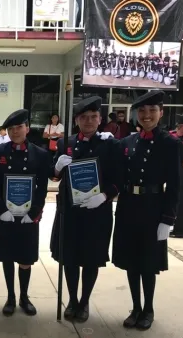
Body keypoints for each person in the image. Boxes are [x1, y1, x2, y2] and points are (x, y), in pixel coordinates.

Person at [112, 90, 183, 331]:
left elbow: (175, 184)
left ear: (161, 113)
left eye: (152, 111)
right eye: (142, 111)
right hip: (128, 207)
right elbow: (117, 174)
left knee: (148, 263)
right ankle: (135, 307)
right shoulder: (128, 142)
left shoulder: (170, 143)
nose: (146, 115)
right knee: (131, 262)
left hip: (153, 208)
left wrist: (168, 218)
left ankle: (148, 308)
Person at [50, 96, 120, 322]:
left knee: (91, 258)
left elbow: (120, 177)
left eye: (93, 117)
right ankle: (71, 299)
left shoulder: (110, 144)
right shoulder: (65, 143)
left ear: (100, 119)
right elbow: (54, 175)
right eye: (83, 117)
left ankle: (84, 301)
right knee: (69, 257)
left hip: (97, 211)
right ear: (77, 120)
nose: (88, 121)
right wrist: (57, 167)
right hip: (70, 210)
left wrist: (105, 195)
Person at [0, 109, 50, 316]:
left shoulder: (40, 154)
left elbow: (42, 187)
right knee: (7, 256)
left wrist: (34, 212)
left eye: (19, 127)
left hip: (27, 215)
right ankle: (10, 296)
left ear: (27, 128)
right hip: (5, 214)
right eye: (11, 128)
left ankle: (24, 296)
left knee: (25, 259)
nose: (15, 131)